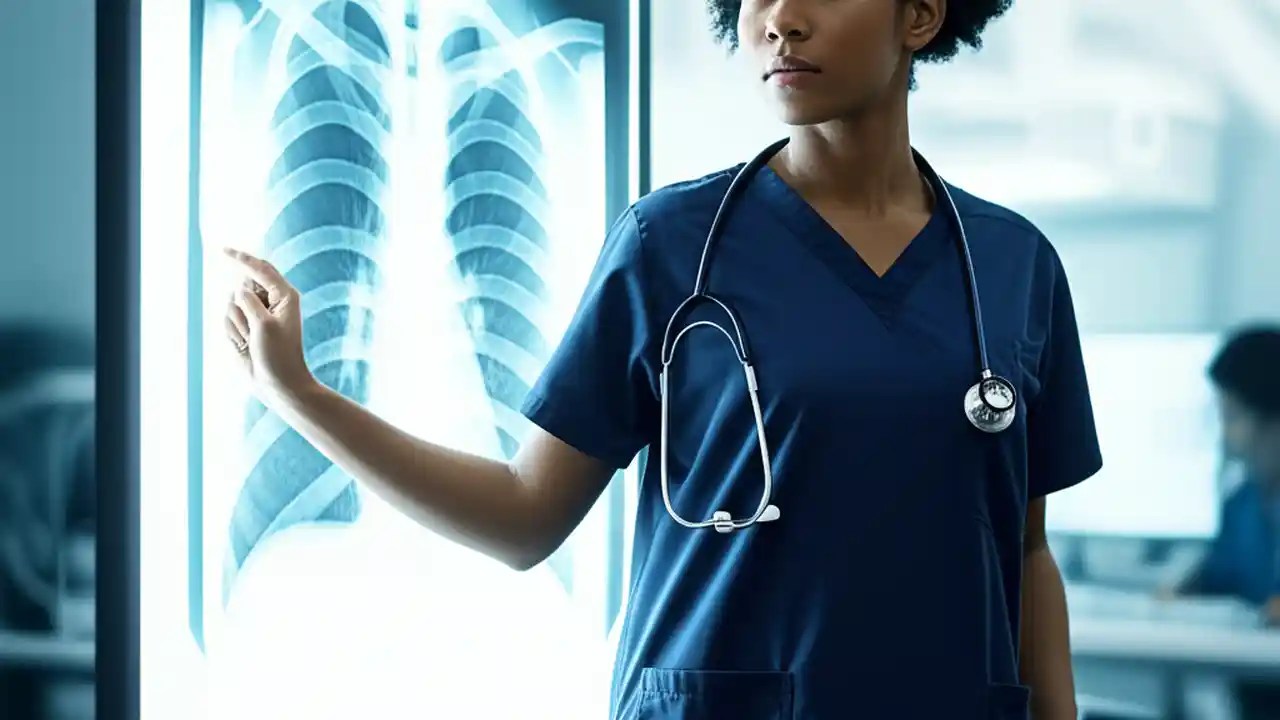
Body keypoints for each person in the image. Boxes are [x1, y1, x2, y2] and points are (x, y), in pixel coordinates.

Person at [222, 1, 1102, 717]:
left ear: (920, 16)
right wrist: (299, 395)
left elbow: (1026, 555)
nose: (780, 20)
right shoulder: (669, 245)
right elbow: (525, 518)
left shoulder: (1012, 265)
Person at [1163, 326, 1280, 626]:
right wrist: (1179, 592)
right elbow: (1215, 577)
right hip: (1252, 668)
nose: (1224, 434)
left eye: (1232, 416)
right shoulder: (1242, 503)